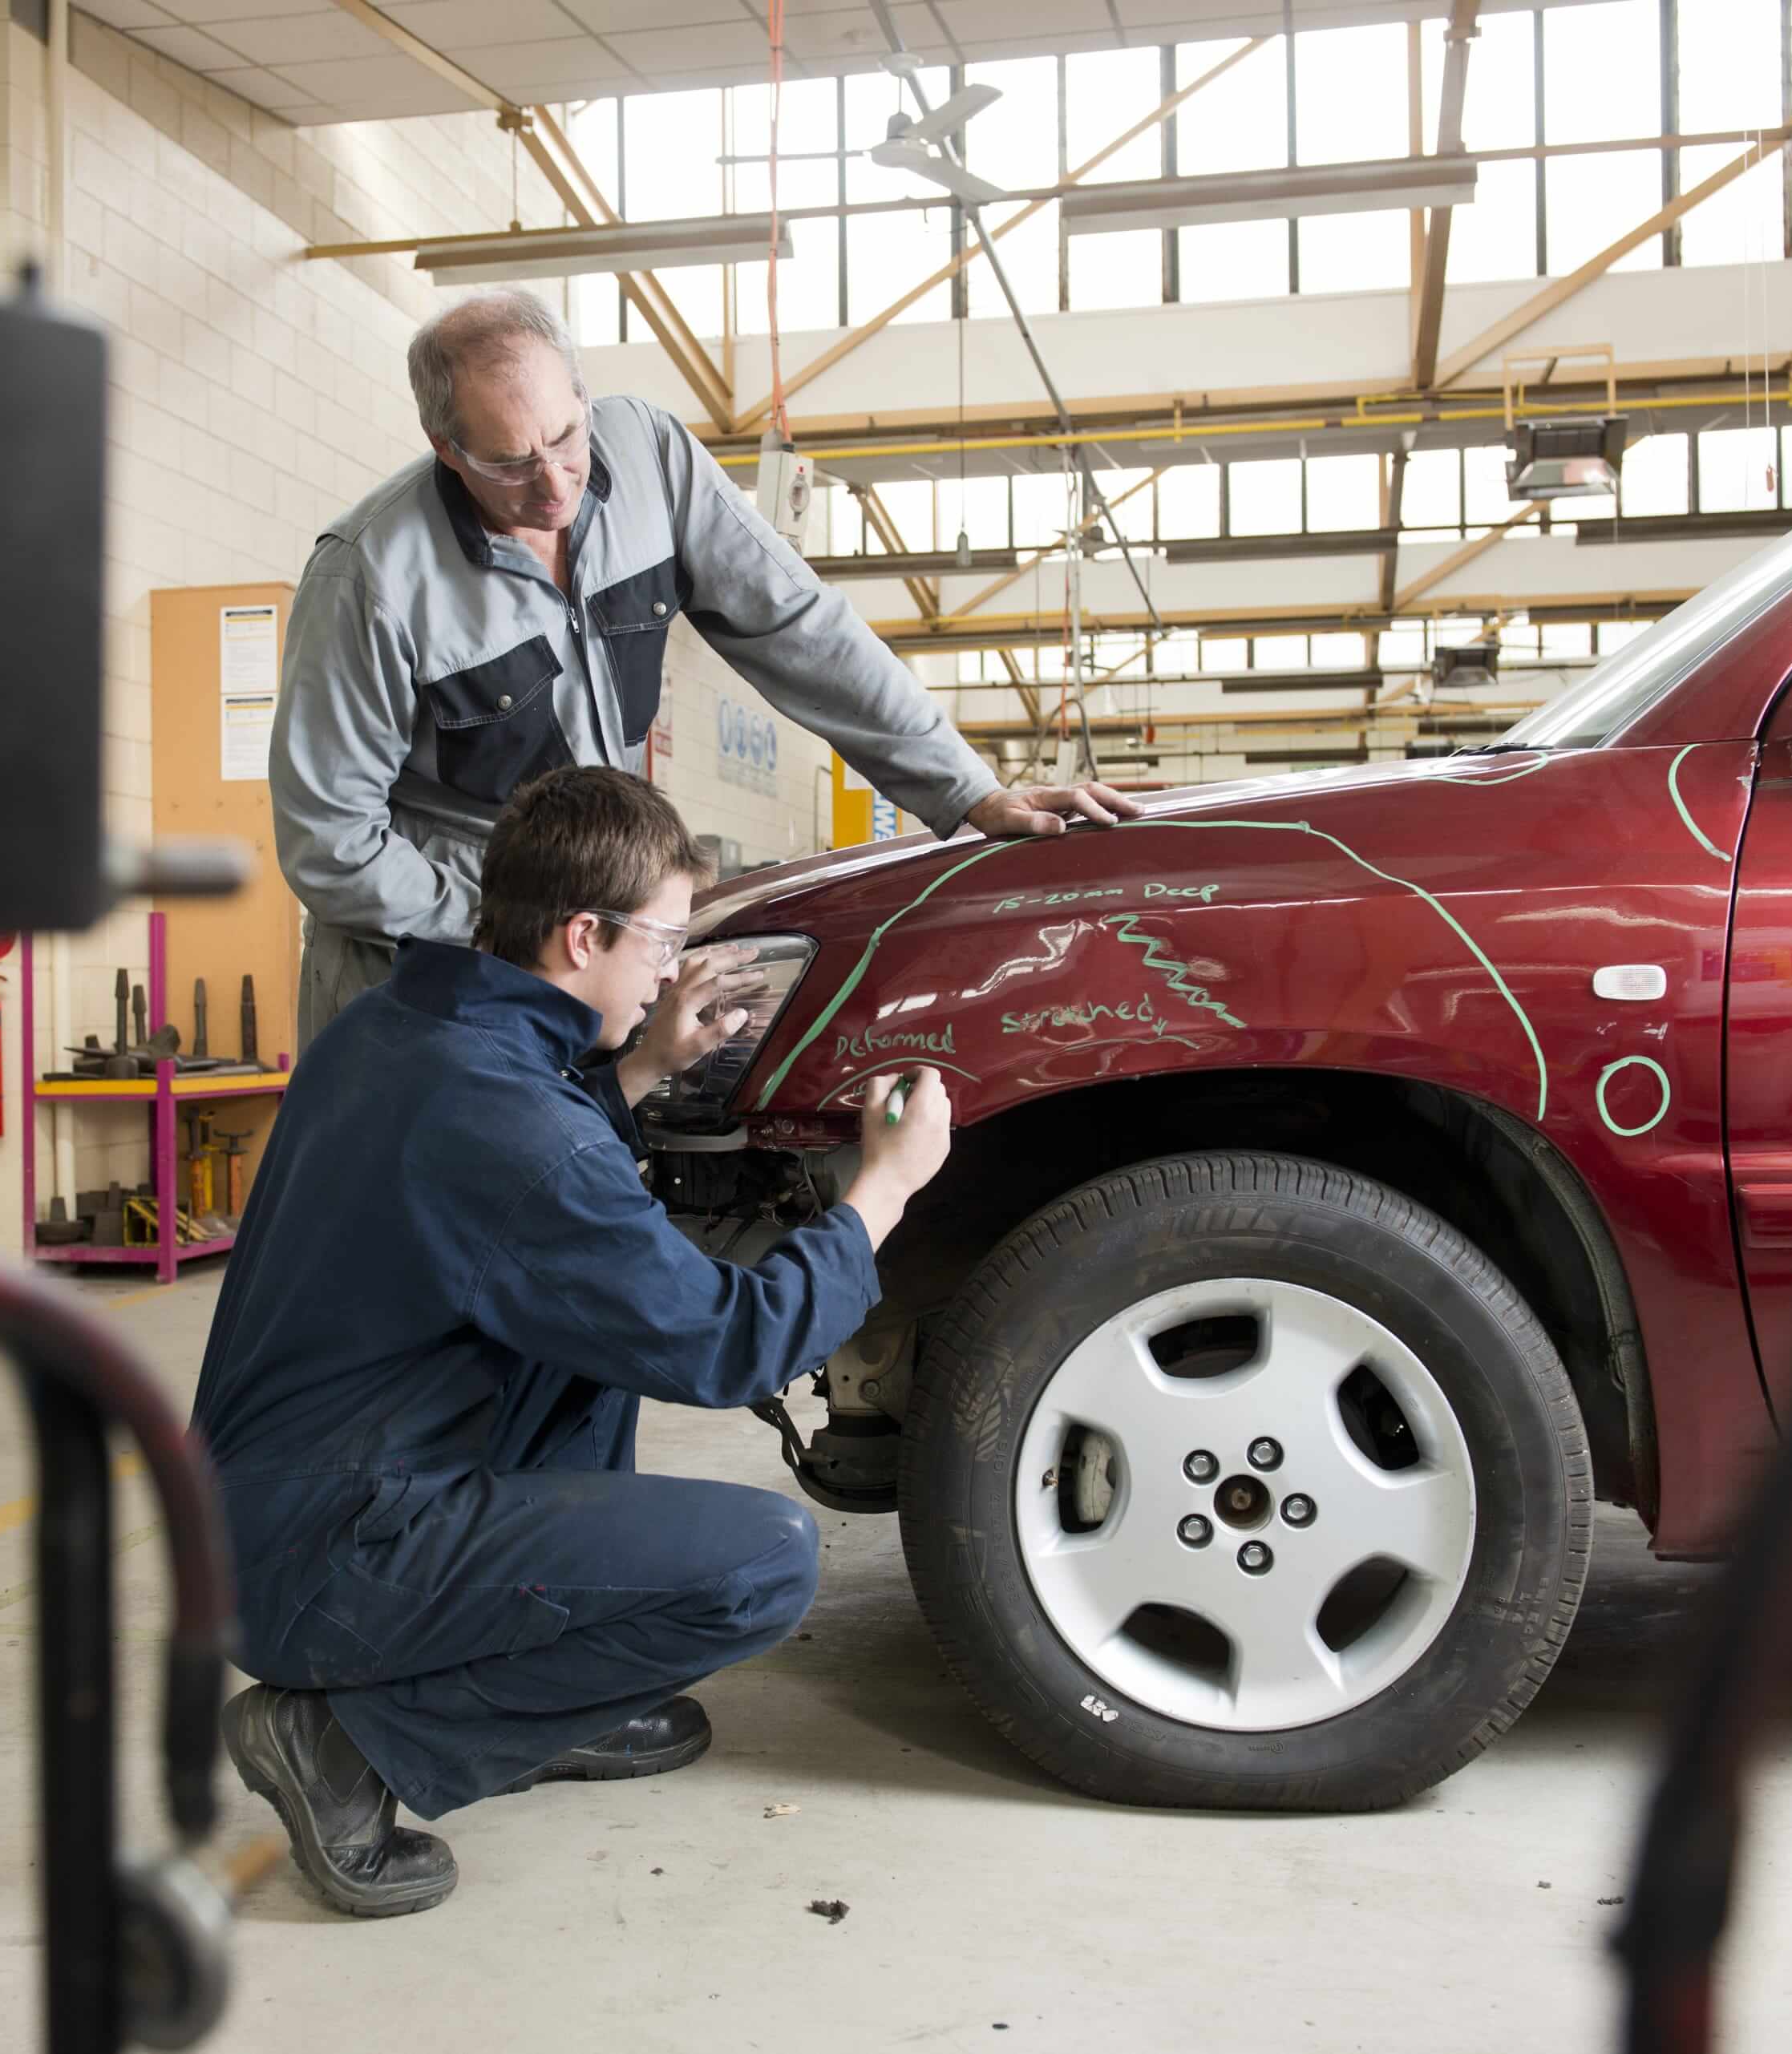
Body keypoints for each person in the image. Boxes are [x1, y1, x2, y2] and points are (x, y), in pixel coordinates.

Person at [193, 766, 956, 1918]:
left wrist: (640, 1064)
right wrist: (882, 1194)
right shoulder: (512, 1122)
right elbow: (723, 1344)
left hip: (264, 1511)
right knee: (760, 1563)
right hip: (326, 1558)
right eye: (661, 940)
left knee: (590, 1342)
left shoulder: (397, 1026)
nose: (670, 966)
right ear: (582, 931)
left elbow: (516, 1186)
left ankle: (543, 1699)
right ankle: (349, 1740)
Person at [272, 285, 1139, 1050]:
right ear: (445, 447)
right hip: (421, 981)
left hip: (581, 951)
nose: (553, 487)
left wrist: (966, 789)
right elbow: (331, 844)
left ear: (583, 391)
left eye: (567, 438)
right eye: (509, 463)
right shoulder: (370, 576)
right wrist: (516, 933)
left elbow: (801, 626)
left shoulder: (649, 456)